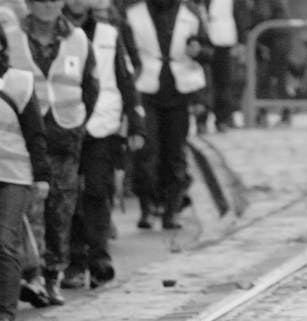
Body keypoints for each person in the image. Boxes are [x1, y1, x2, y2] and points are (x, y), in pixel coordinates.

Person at [6, 0, 97, 306]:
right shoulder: (12, 35)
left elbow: (91, 86)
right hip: (25, 139)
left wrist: (78, 125)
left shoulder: (78, 38)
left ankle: (52, 274)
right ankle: (31, 273)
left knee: (61, 209)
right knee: (27, 211)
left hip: (64, 136)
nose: (45, 5)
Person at [61, 0, 143, 289]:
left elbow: (125, 77)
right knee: (68, 195)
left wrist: (135, 121)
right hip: (64, 123)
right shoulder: (56, 33)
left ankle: (98, 257)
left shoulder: (109, 34)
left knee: (97, 190)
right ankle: (74, 258)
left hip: (103, 123)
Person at [123, 0, 210, 230]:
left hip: (179, 91)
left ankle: (171, 210)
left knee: (174, 153)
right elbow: (124, 53)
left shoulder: (191, 13)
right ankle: (147, 206)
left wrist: (198, 51)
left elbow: (209, 53)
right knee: (146, 150)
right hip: (145, 88)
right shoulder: (134, 12)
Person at [0, 23, 51, 321]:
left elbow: (36, 134)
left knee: (4, 242)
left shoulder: (19, 83)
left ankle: (5, 311)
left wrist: (42, 175)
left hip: (13, 175)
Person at [200, 0, 243, 131]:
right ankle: (201, 119)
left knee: (223, 83)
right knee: (201, 83)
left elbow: (240, 16)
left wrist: (241, 41)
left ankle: (223, 119)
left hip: (223, 41)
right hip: (201, 40)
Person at [247, 0, 285, 126]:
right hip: (269, 45)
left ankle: (266, 114)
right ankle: (265, 114)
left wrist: (263, 46)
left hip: (272, 46)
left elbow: (264, 19)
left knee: (271, 81)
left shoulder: (267, 3)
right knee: (270, 81)